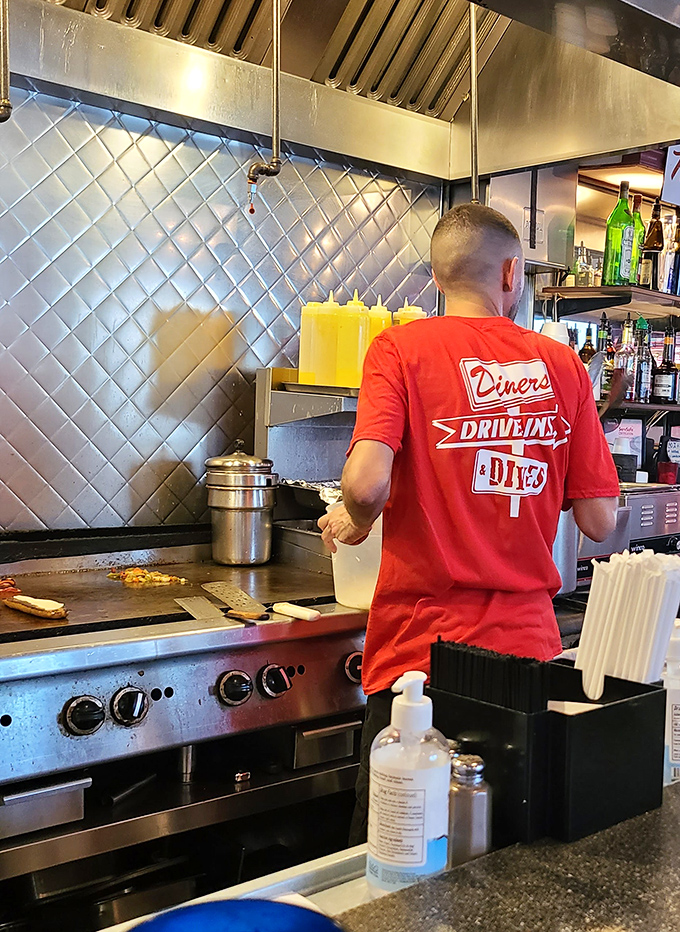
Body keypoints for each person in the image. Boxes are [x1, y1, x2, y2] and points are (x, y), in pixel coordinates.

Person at [318, 203, 620, 844]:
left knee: (401, 858)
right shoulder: (562, 365)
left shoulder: (399, 349)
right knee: (507, 861)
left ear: (436, 277)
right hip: (525, 658)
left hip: (418, 664)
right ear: (511, 273)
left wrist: (356, 519)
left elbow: (366, 484)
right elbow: (598, 519)